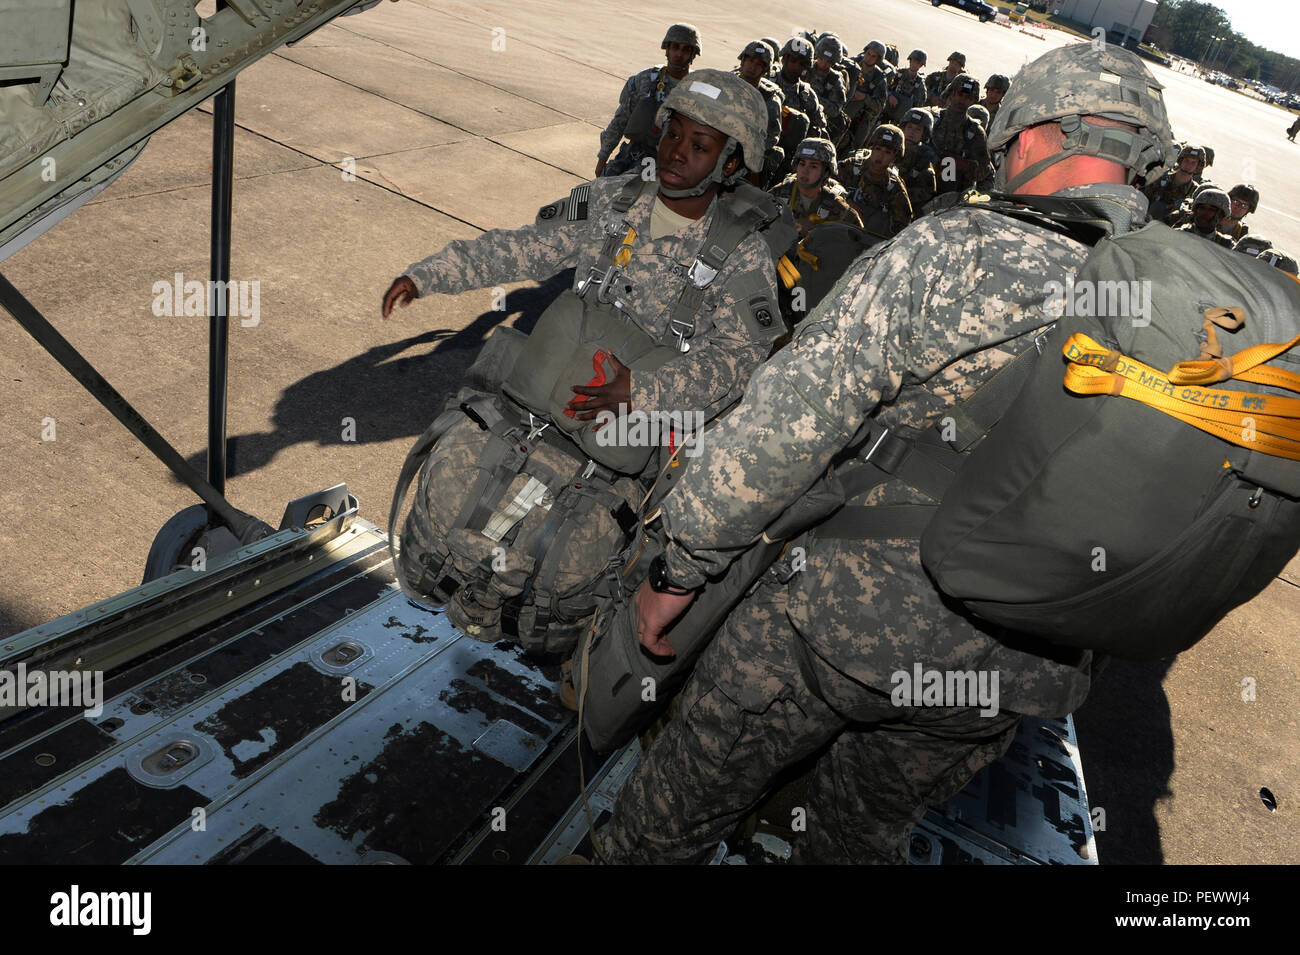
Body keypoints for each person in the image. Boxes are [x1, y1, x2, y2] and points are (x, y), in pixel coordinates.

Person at [593, 41, 1170, 865]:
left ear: (1040, 134)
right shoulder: (1184, 315)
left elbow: (785, 425)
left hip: (840, 623)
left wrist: (675, 571)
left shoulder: (960, 250)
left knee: (684, 798)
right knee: (860, 834)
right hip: (1007, 673)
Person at [385, 69, 784, 450]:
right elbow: (525, 247)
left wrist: (643, 390)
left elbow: (741, 358)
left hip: (638, 435)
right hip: (548, 395)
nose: (677, 154)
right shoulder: (611, 199)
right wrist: (430, 275)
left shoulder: (742, 257)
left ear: (729, 163)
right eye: (673, 135)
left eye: (699, 147)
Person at [595, 24, 700, 178]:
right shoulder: (646, 80)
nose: (679, 54)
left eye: (686, 50)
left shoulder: (698, 91)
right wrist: (602, 158)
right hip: (634, 155)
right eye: (675, 47)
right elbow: (620, 120)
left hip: (670, 164)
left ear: (693, 55)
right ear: (667, 49)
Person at [769, 138, 862, 236]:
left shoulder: (836, 207)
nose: (805, 171)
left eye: (813, 166)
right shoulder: (779, 194)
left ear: (826, 172)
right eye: (802, 164)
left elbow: (860, 241)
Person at [838, 124, 913, 240]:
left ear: (895, 157)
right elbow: (826, 187)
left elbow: (903, 222)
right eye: (878, 149)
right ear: (871, 148)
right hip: (838, 232)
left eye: (887, 152)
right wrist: (846, 203)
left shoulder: (893, 186)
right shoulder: (851, 167)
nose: (880, 156)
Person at [736, 40, 787, 188]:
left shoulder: (769, 98)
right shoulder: (726, 83)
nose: (752, 67)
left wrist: (747, 149)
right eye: (750, 60)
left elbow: (772, 135)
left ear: (765, 69)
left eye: (759, 64)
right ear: (743, 60)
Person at [930, 75, 992, 194]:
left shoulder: (975, 132)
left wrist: (964, 165)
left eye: (967, 97)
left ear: (972, 100)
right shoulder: (932, 119)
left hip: (955, 195)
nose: (962, 100)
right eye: (960, 95)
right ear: (952, 94)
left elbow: (985, 169)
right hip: (924, 189)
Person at [774, 37, 829, 140]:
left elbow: (818, 131)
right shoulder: (766, 80)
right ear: (784, 59)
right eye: (793, 61)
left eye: (802, 64)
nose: (796, 67)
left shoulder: (808, 96)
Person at [1142, 144, 1202, 223]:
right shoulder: (1159, 179)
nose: (1189, 165)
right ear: (1180, 160)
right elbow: (1142, 200)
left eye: (1193, 163)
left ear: (1198, 166)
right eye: (1186, 160)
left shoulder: (1196, 192)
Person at [897, 107, 938, 214]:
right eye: (909, 127)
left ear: (924, 134)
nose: (912, 132)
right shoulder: (892, 147)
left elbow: (926, 192)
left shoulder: (925, 158)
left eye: (918, 129)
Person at [808, 35, 849, 141]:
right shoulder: (806, 68)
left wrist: (814, 99)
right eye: (821, 59)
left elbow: (836, 110)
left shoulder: (835, 79)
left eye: (828, 61)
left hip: (818, 122)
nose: (824, 63)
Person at [885, 50, 928, 125]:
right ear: (910, 60)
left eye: (918, 63)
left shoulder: (920, 83)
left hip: (901, 118)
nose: (915, 64)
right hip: (886, 111)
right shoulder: (897, 73)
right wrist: (889, 95)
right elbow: (882, 87)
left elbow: (920, 104)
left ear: (921, 65)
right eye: (914, 61)